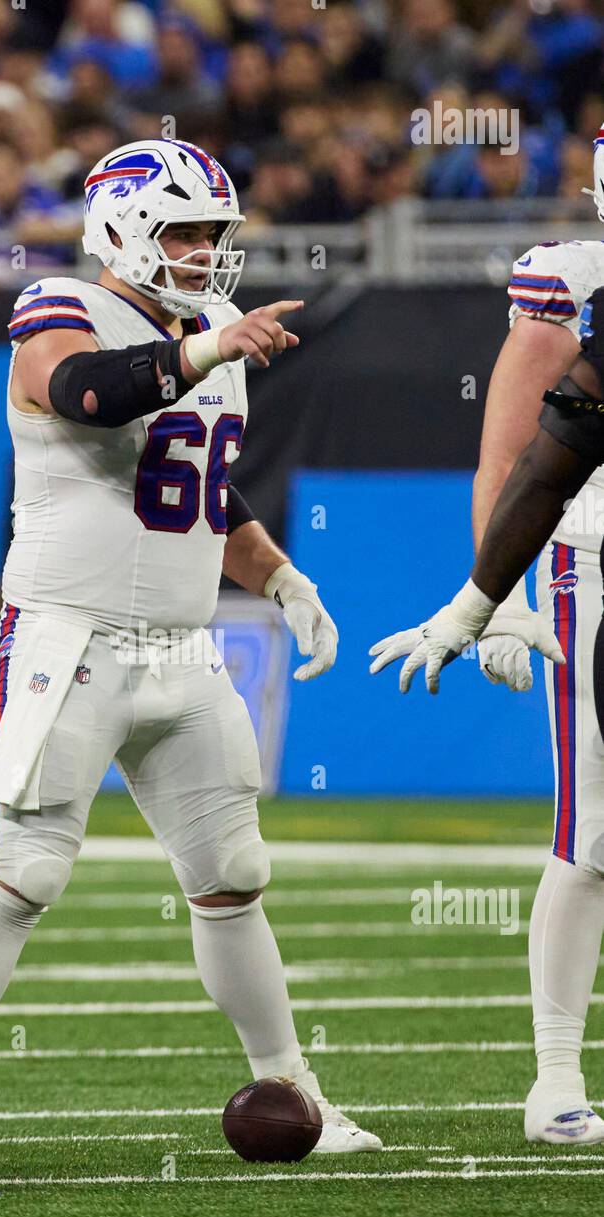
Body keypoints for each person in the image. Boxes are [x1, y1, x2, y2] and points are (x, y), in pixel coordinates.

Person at [0, 136, 383, 1195]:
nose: (203, 252)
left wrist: (285, 581)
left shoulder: (210, 339)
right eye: (183, 231)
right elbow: (86, 395)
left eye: (214, 234)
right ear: (120, 228)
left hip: (184, 647)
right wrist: (203, 353)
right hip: (71, 636)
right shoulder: (60, 305)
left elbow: (204, 489)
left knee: (235, 875)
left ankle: (291, 1087)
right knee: (28, 872)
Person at [369, 133, 604, 1146]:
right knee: (594, 830)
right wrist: (495, 602)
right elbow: (517, 460)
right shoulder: (573, 283)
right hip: (595, 558)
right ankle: (555, 1077)